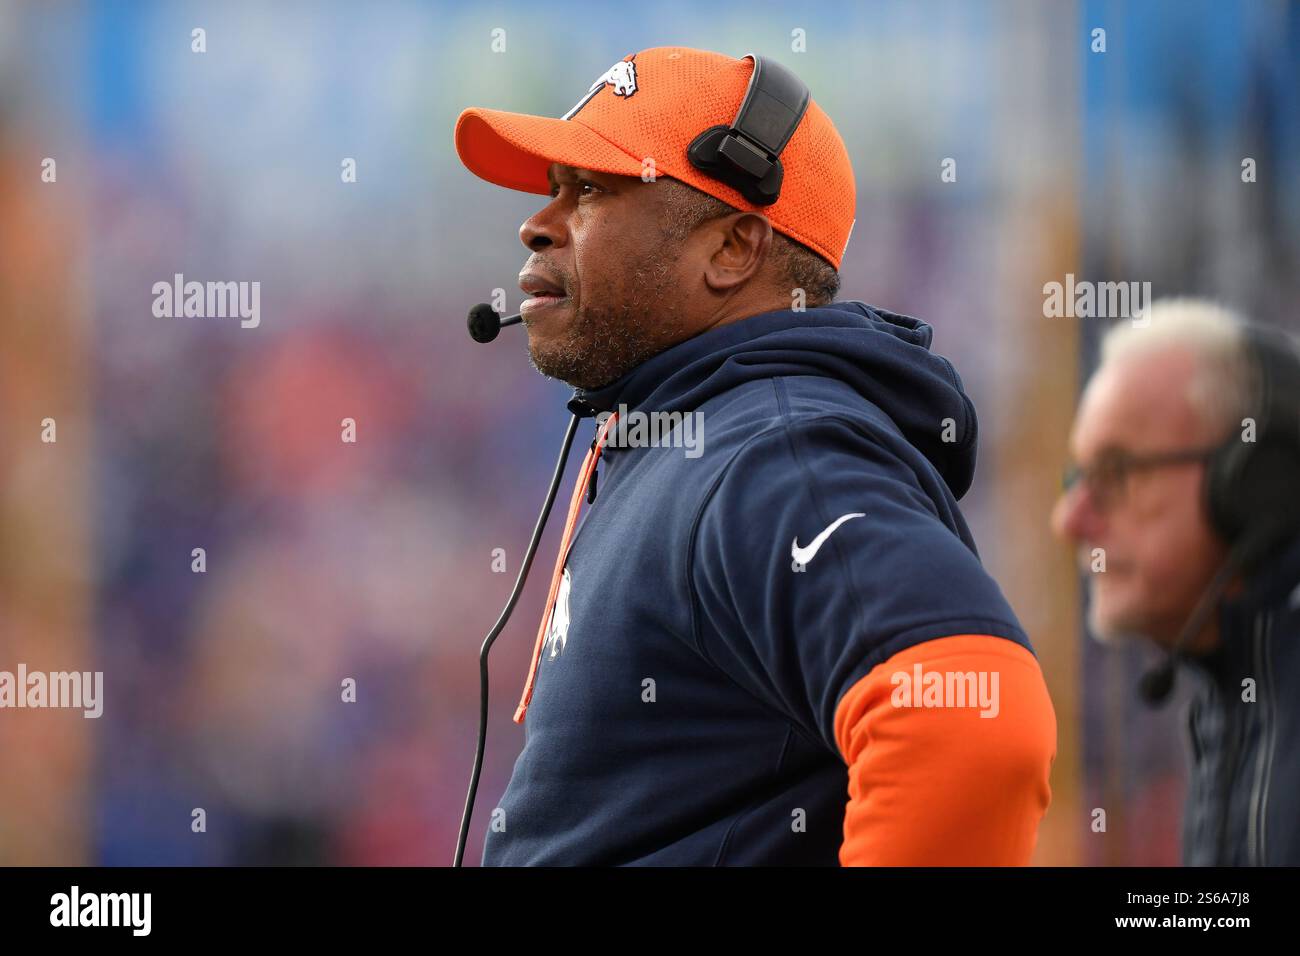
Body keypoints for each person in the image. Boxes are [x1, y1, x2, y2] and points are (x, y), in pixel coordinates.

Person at [455, 45, 1056, 866]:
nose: (537, 221)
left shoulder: (775, 449)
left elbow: (975, 719)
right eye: (555, 188)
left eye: (591, 189)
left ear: (733, 249)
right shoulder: (698, 440)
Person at [1051, 297, 1300, 865]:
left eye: (1115, 473)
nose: (1069, 520)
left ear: (1255, 482)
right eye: (1077, 477)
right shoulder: (1230, 690)